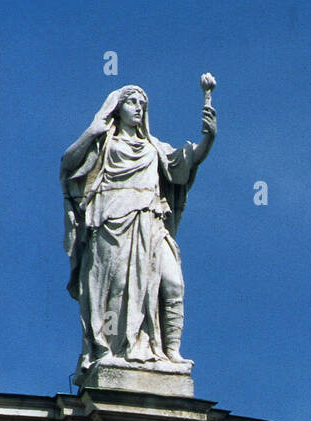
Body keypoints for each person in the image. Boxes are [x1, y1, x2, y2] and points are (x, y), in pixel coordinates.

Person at [60, 84, 217, 377]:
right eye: (131, 102)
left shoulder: (154, 147)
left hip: (152, 221)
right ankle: (110, 350)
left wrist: (209, 137)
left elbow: (186, 161)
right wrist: (92, 132)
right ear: (117, 108)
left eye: (142, 104)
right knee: (115, 287)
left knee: (172, 284)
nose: (137, 108)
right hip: (112, 219)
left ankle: (170, 352)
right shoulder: (104, 143)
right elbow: (69, 165)